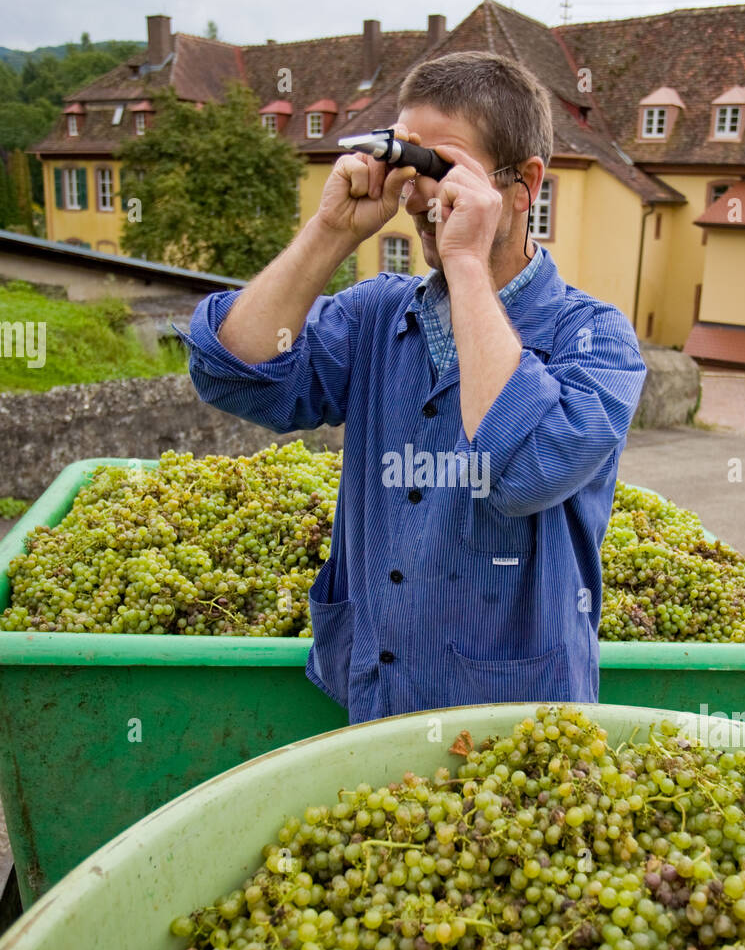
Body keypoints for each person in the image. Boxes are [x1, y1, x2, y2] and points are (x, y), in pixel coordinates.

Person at [179, 50, 646, 723]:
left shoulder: (596, 339)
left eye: (445, 168)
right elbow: (230, 373)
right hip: (372, 698)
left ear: (523, 186)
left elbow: (518, 471)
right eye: (411, 165)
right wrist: (328, 234)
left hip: (514, 726)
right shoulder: (377, 314)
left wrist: (464, 262)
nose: (422, 194)